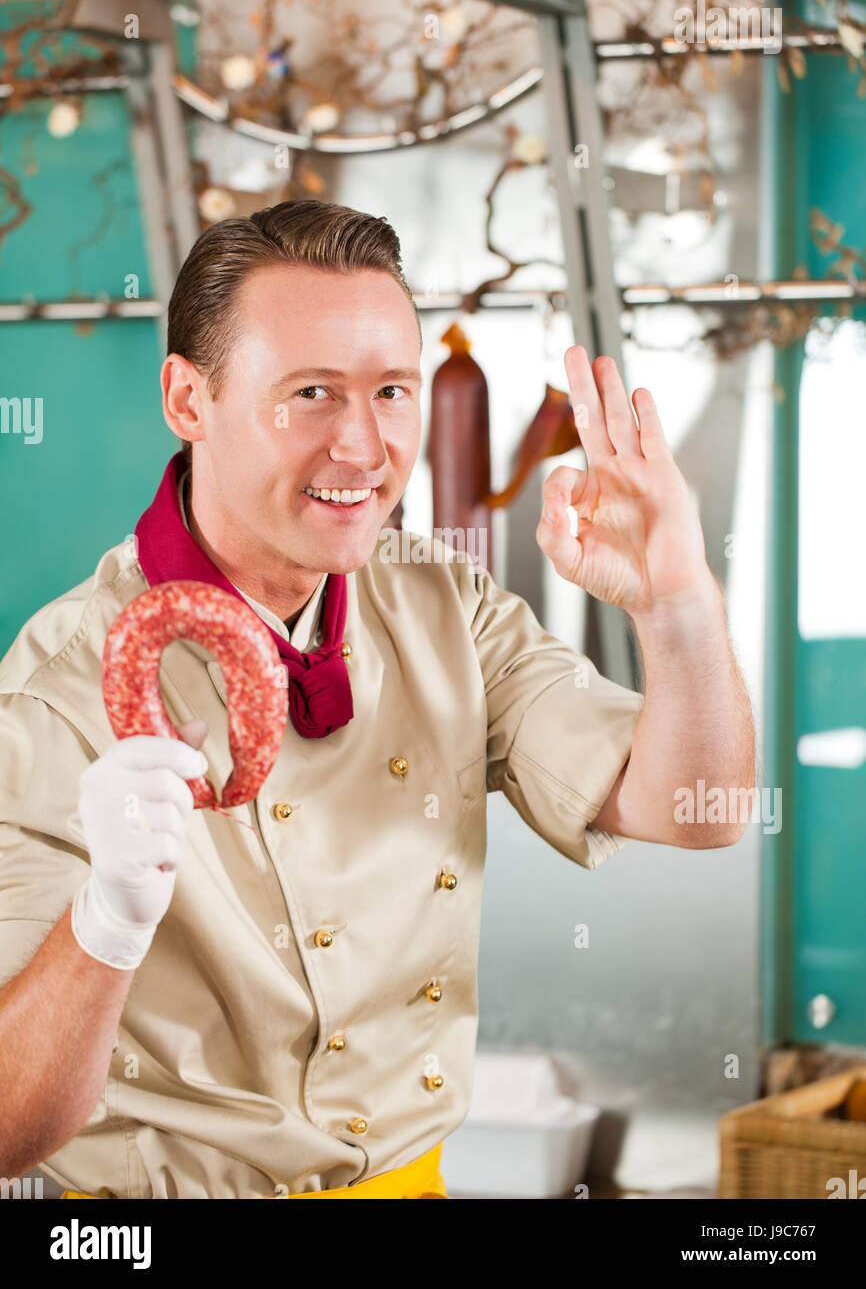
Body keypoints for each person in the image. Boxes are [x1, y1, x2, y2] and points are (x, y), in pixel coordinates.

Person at [0, 200, 755, 1199]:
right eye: (310, 392)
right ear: (189, 399)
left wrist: (676, 602)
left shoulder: (446, 607)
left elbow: (691, 811)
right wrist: (106, 921)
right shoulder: (59, 683)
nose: (364, 448)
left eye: (391, 390)